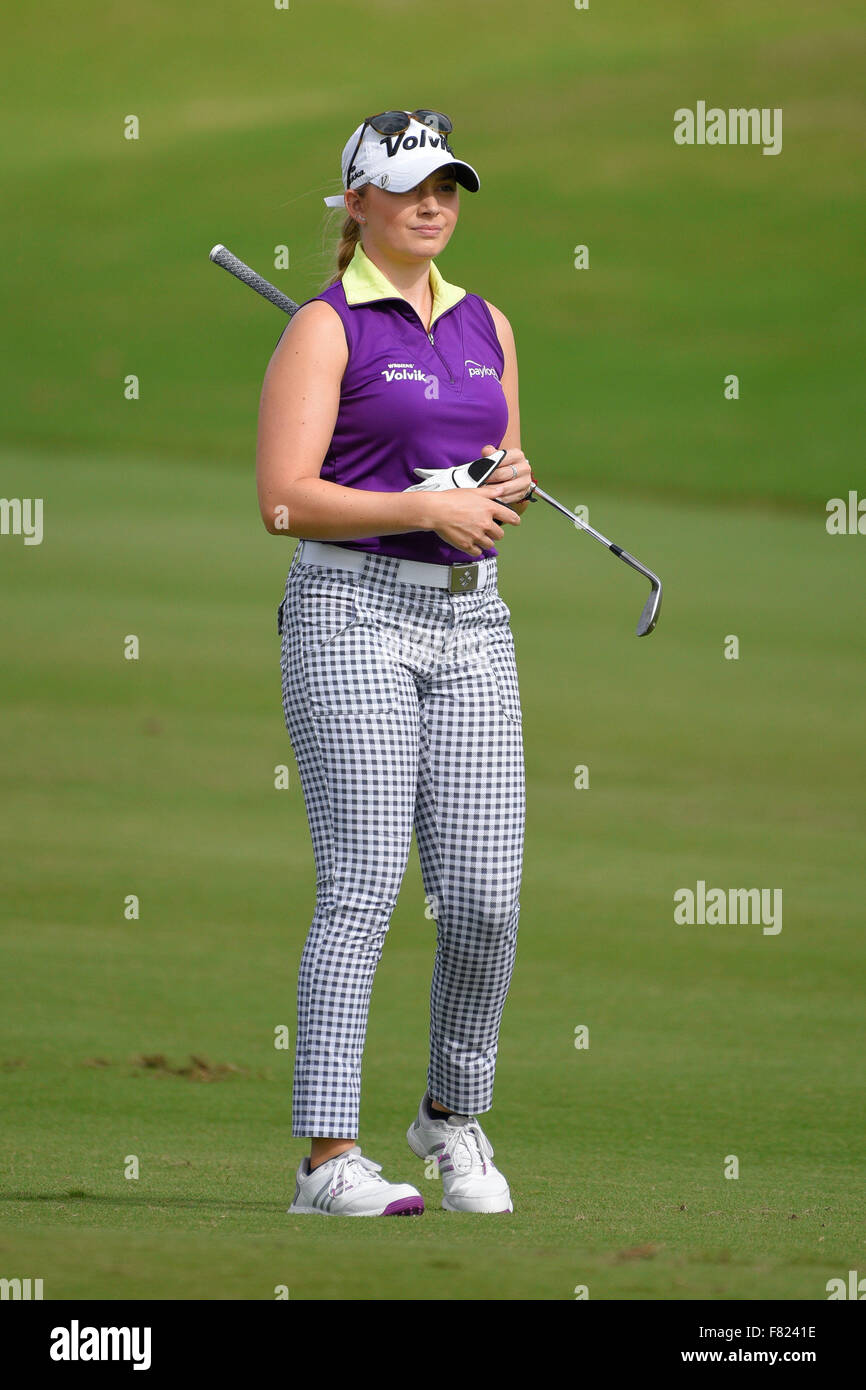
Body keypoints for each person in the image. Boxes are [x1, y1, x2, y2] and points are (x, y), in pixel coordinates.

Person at [256, 110, 534, 1216]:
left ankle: (448, 1114)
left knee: (485, 901)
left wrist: (498, 486)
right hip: (351, 613)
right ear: (356, 202)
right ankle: (327, 1161)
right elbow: (283, 498)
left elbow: (506, 456)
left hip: (475, 626)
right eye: (412, 186)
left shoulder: (486, 323)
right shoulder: (323, 330)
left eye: (449, 186)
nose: (435, 204)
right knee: (363, 884)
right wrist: (417, 504)